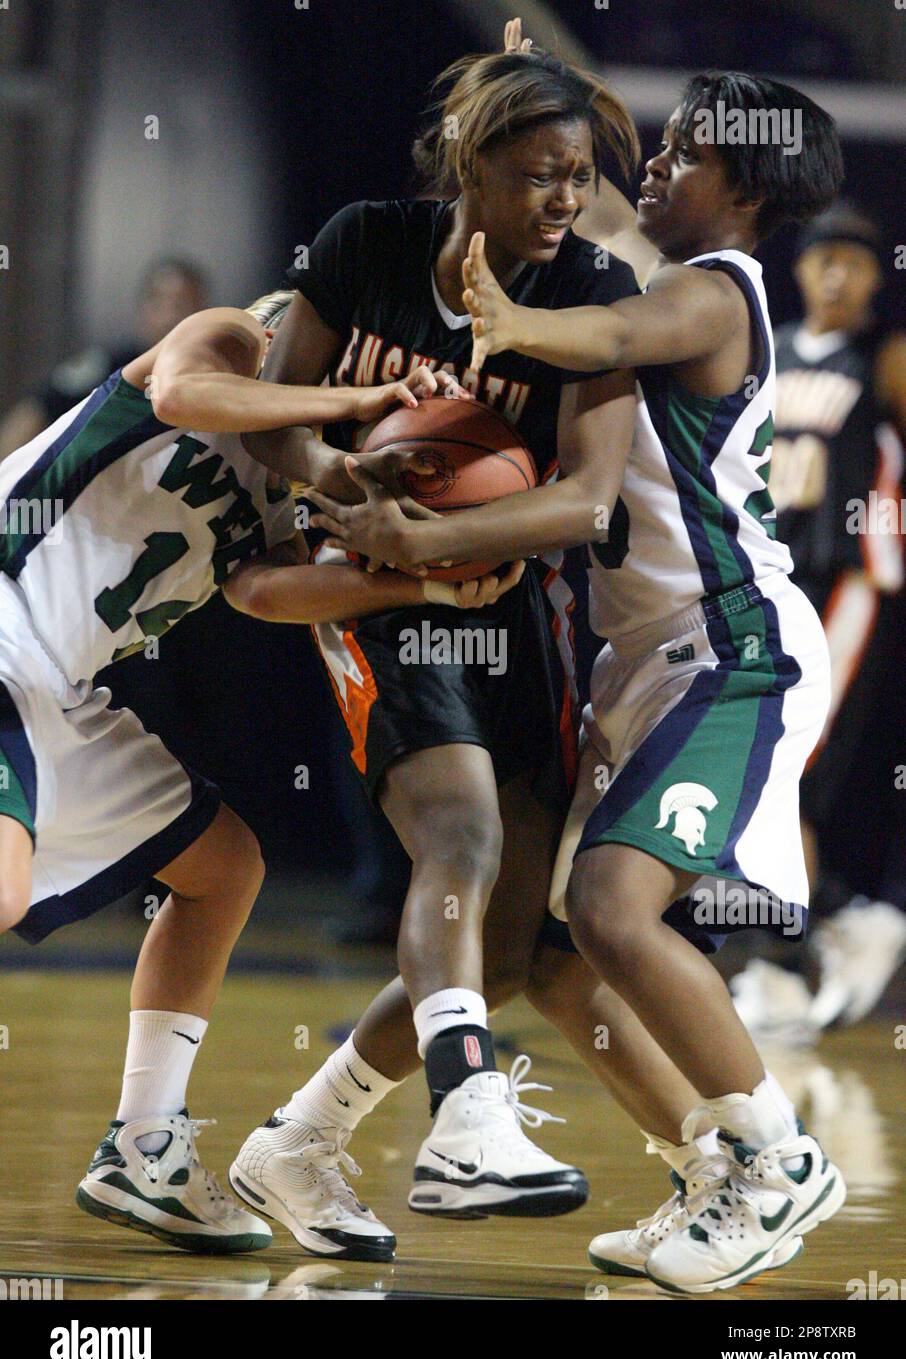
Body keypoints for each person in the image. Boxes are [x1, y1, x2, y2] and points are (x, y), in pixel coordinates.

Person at [315, 60, 850, 1293]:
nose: (649, 168)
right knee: (568, 938)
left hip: (731, 646)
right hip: (645, 660)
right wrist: (507, 102)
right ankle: (717, 1168)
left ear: (749, 187)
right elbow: (574, 214)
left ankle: (776, 1161)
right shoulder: (679, 270)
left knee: (612, 909)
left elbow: (605, 326)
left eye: (682, 152)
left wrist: (502, 322)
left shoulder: (716, 295)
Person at [230, 45, 651, 1250]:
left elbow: (583, 501)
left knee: (509, 932)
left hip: (513, 602)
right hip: (365, 589)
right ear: (472, 164)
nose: (564, 198)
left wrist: (427, 533)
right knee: (455, 834)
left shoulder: (593, 286)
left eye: (577, 176)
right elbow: (274, 411)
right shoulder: (365, 239)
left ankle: (297, 1146)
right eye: (540, 174)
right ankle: (466, 1120)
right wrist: (337, 476)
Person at [0, 287, 513, 1255]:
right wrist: (346, 409)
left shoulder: (289, 477)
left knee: (221, 867)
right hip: (3, 623)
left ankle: (143, 1146)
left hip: (57, 687)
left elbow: (261, 590)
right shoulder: (232, 334)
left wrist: (426, 581)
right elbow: (188, 397)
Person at [730, 203, 906, 1040]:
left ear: (878, 277)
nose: (838, 274)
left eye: (857, 262)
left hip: (851, 578)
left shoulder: (888, 358)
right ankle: (823, 925)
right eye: (824, 258)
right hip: (773, 575)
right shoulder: (768, 354)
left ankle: (791, 947)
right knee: (755, 757)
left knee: (785, 759)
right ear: (798, 270)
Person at [0, 257, 210, 461]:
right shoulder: (109, 365)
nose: (169, 316)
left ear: (202, 312)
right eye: (158, 301)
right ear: (142, 308)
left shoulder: (213, 381)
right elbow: (34, 413)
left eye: (181, 303)